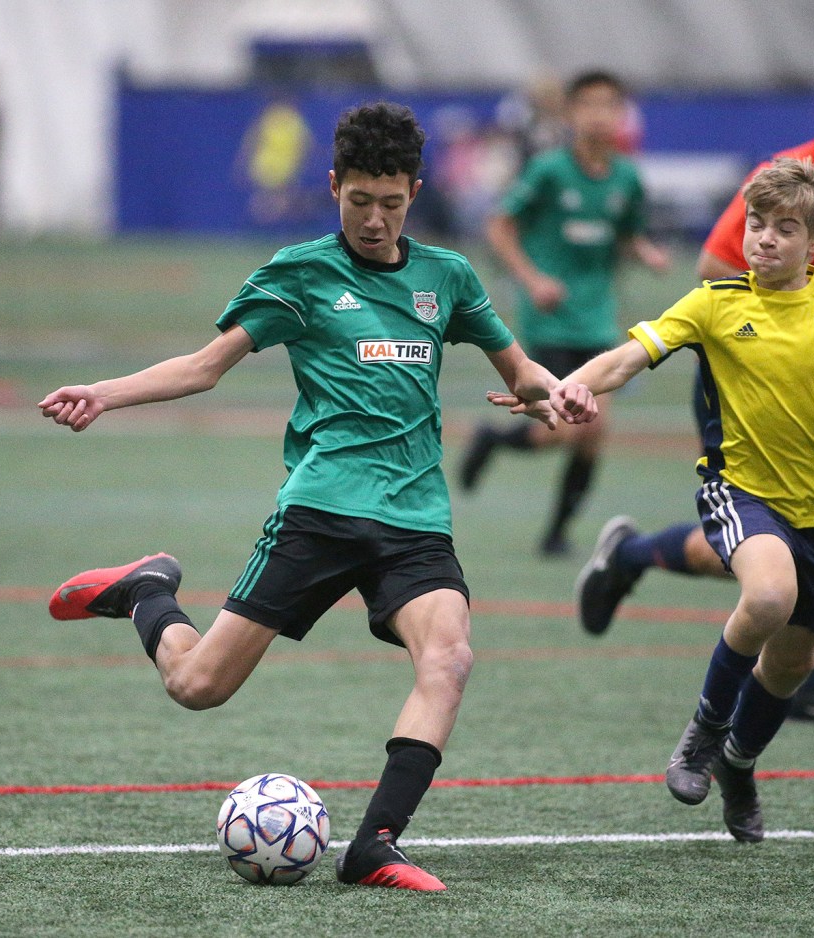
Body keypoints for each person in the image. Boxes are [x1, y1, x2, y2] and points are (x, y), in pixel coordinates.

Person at [39, 102, 596, 892]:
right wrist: (103, 392)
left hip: (414, 518)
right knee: (198, 687)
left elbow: (520, 371)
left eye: (392, 203)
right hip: (322, 509)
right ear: (334, 186)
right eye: (359, 201)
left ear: (415, 192)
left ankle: (375, 844)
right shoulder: (299, 273)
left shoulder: (449, 276)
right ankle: (146, 591)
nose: (374, 220)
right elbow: (205, 366)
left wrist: (554, 394)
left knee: (451, 657)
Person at [521, 156, 814, 841]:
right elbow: (630, 355)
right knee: (766, 597)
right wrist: (568, 387)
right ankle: (703, 735)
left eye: (784, 228)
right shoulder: (716, 302)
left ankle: (739, 763)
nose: (763, 238)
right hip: (740, 489)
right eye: (756, 223)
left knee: (794, 659)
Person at [576, 44, 814, 723]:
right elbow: (710, 264)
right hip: (751, 367)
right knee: (768, 549)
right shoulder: (787, 180)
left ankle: (795, 668)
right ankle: (643, 562)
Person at [459, 70, 671, 556]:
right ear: (571, 113)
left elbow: (625, 233)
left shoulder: (627, 178)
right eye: (589, 105)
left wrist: (645, 252)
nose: (600, 115)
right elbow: (499, 224)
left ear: (622, 115)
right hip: (551, 319)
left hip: (597, 320)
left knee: (592, 433)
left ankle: (555, 533)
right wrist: (532, 281)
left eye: (610, 106)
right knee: (566, 429)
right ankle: (493, 441)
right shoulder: (549, 171)